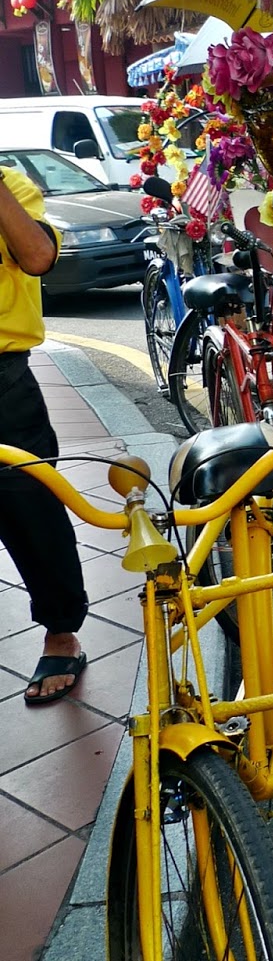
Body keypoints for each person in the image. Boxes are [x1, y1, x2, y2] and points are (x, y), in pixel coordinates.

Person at [0, 164, 89, 703]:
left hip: (2, 381)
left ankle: (61, 633)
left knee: (32, 509)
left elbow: (37, 257)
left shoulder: (11, 183)